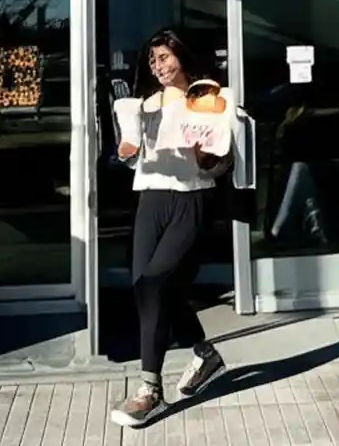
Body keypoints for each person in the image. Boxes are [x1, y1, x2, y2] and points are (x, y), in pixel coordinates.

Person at [109, 28, 230, 428]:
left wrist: (205, 152)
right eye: (152, 60)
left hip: (190, 198)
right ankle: (205, 355)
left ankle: (150, 391)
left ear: (181, 55)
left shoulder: (206, 98)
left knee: (156, 283)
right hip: (150, 200)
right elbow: (133, 156)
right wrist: (127, 151)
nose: (158, 66)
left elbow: (219, 163)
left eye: (164, 57)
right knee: (149, 286)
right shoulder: (143, 105)